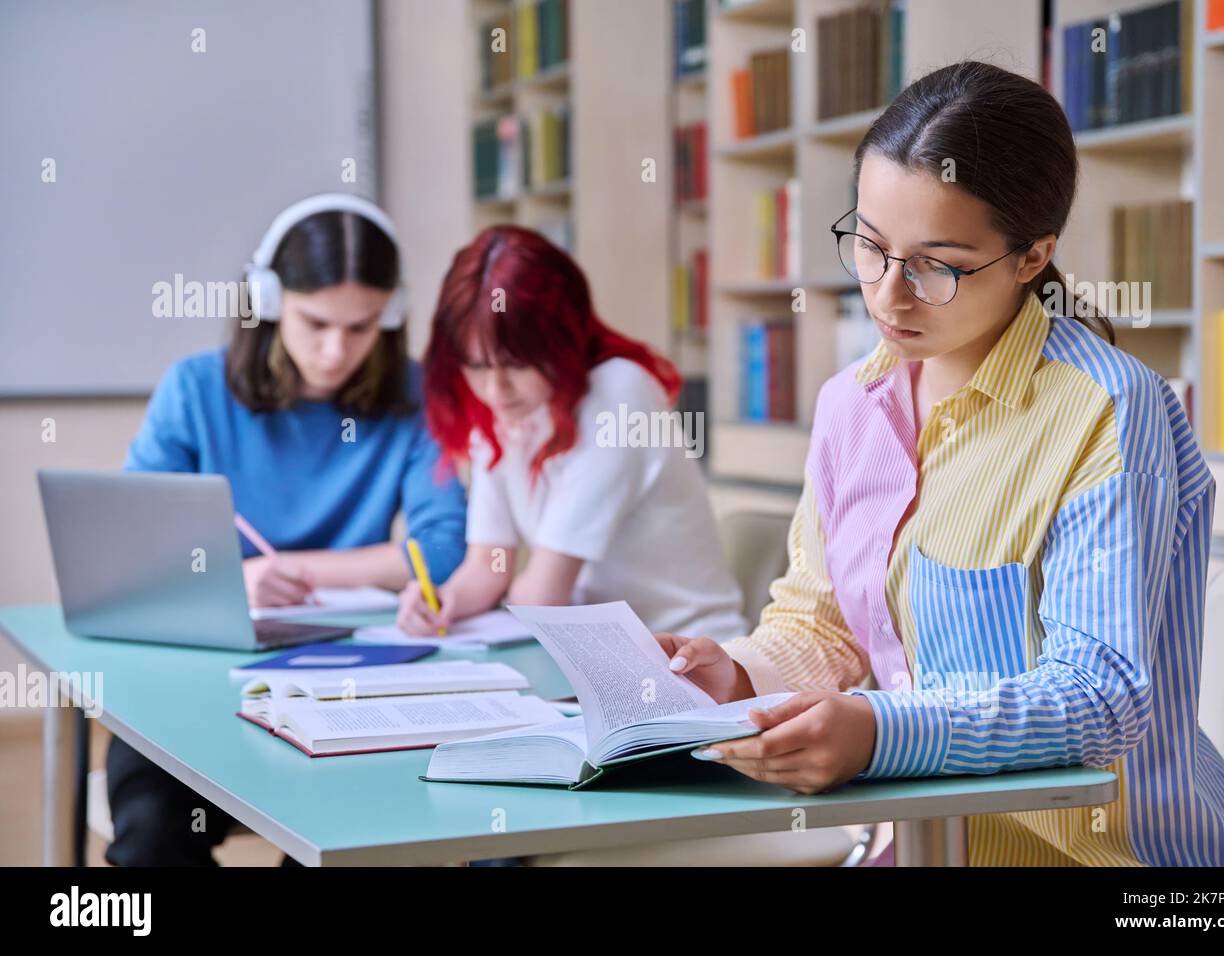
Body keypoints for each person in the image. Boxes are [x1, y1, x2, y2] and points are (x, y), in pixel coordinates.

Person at [659, 62, 1224, 866]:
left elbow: (1101, 698)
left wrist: (881, 732)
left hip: (1114, 861)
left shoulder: (1112, 410)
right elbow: (823, 625)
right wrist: (734, 678)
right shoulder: (852, 405)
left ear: (1030, 256)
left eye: (936, 264)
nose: (888, 295)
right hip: (917, 843)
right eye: (871, 247)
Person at [106, 194, 467, 866]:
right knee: (154, 836)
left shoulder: (416, 397)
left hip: (356, 690)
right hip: (194, 692)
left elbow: (442, 552)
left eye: (361, 328)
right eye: (316, 322)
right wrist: (235, 579)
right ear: (270, 302)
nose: (336, 352)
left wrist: (290, 573)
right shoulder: (194, 390)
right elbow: (136, 552)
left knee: (366, 841)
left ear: (389, 315)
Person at [397, 225, 746, 642]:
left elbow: (543, 596)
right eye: (476, 366)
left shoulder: (619, 392)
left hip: (689, 660)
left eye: (517, 364)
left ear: (560, 340)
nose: (495, 390)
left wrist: (503, 601)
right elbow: (488, 565)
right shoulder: (504, 407)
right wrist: (443, 599)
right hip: (596, 652)